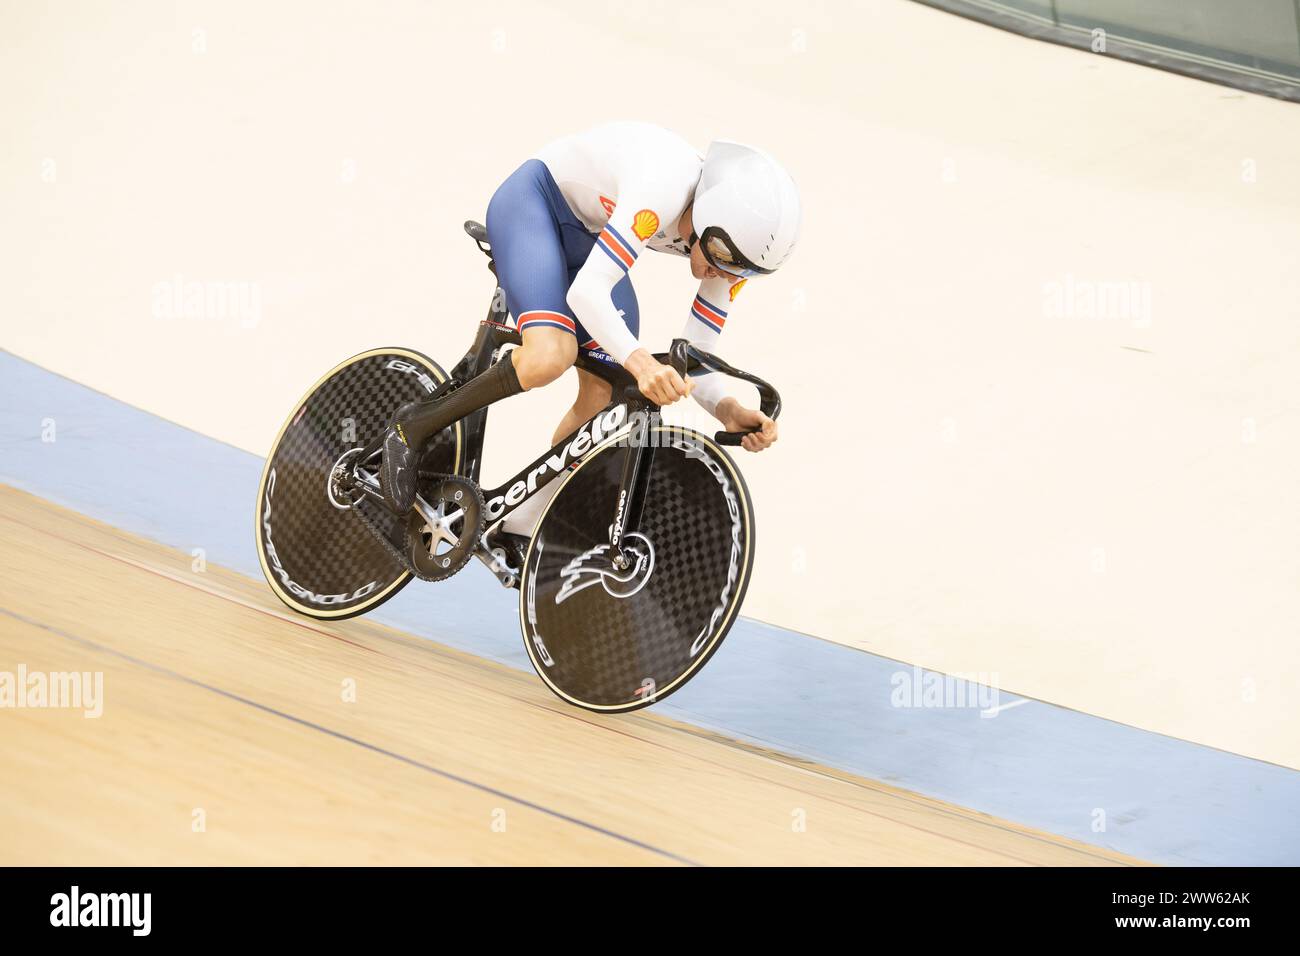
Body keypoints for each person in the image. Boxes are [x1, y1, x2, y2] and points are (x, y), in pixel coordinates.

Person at [380, 120, 802, 519]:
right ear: (710, 215)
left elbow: (697, 356)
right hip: (535, 203)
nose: (725, 276)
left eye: (744, 272)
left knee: (607, 386)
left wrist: (726, 409)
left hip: (587, 238)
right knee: (551, 355)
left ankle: (527, 521)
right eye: (726, 261)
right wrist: (642, 363)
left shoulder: (725, 250)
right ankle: (411, 428)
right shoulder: (664, 186)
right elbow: (587, 293)